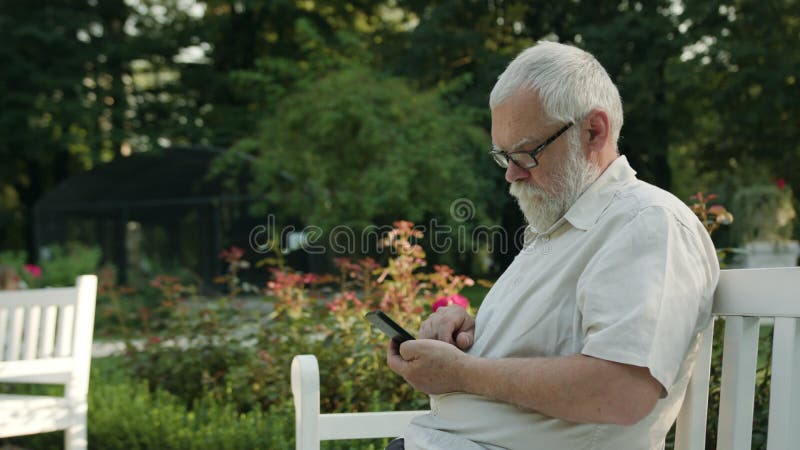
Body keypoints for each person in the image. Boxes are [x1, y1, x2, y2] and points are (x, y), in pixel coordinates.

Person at [385, 41, 720, 450]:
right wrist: (470, 334)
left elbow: (621, 391)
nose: (511, 174)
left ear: (593, 131)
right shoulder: (563, 226)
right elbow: (547, 342)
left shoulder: (645, 222)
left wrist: (461, 373)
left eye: (526, 154)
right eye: (503, 156)